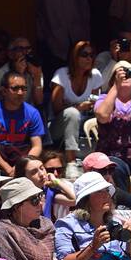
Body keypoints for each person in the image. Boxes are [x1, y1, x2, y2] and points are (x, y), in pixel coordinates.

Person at [94, 62, 131, 193]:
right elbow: (103, 116)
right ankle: (125, 204)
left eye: (129, 73)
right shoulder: (104, 98)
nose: (125, 76)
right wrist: (116, 86)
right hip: (111, 155)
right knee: (117, 170)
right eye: (120, 73)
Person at [50, 41, 105, 169]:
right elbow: (57, 109)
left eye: (91, 55)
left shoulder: (95, 75)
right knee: (72, 113)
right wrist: (79, 107)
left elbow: (95, 103)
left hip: (84, 124)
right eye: (84, 55)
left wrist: (89, 106)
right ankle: (71, 163)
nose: (89, 59)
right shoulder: (62, 74)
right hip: (58, 127)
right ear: (74, 57)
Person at [0, 71, 46, 175]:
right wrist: (9, 169)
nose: (20, 92)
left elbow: (37, 146)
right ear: (4, 91)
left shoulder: (33, 113)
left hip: (23, 159)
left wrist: (21, 166)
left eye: (23, 88)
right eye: (15, 88)